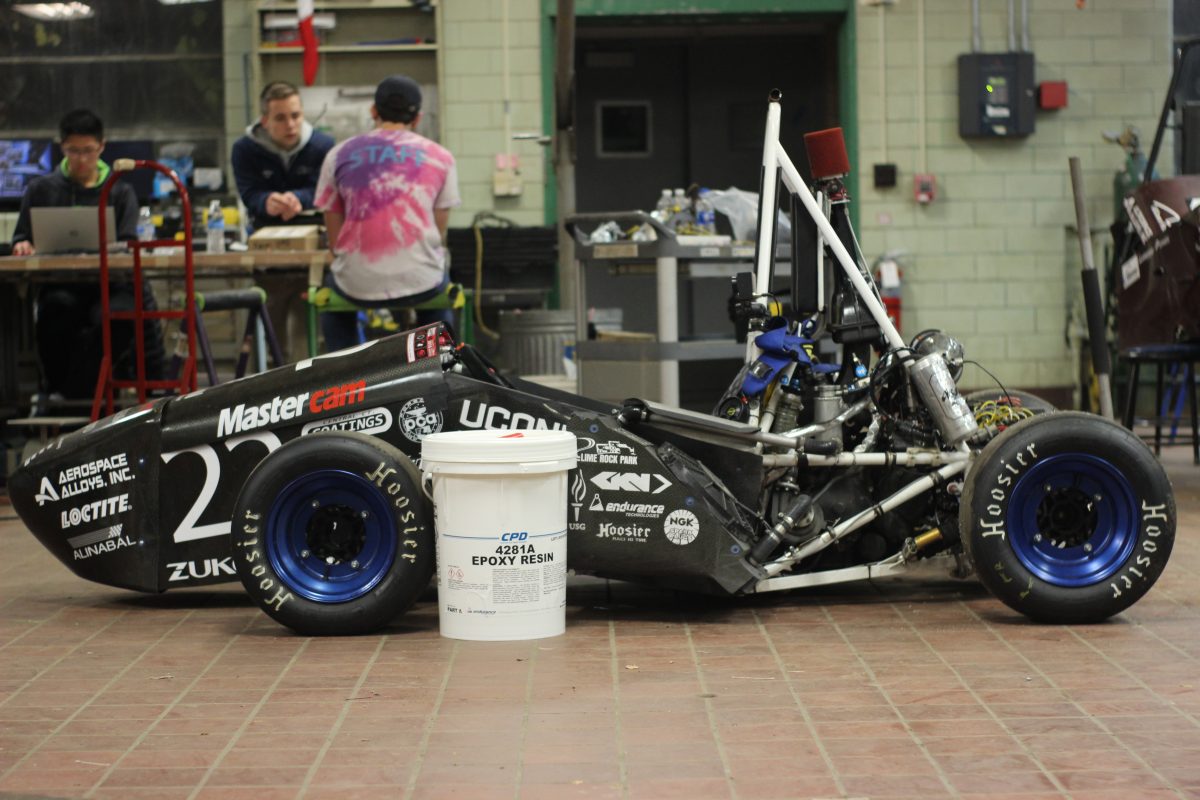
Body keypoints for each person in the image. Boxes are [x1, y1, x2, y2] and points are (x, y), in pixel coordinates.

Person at [11, 108, 165, 400]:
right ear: (61, 147)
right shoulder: (41, 190)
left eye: (88, 151)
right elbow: (21, 236)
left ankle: (79, 393)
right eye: (73, 151)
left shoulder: (120, 192)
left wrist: (115, 249)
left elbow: (130, 242)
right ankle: (68, 391)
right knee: (56, 312)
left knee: (117, 317)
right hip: (60, 284)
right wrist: (22, 244)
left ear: (102, 147)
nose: (81, 159)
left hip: (110, 284)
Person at [314, 74, 461, 352]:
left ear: (373, 111)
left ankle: (345, 373)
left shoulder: (339, 153)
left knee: (332, 306)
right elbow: (438, 230)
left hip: (356, 282)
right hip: (422, 280)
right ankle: (438, 367)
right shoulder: (441, 157)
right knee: (438, 295)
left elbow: (333, 234)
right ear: (416, 119)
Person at [232, 81, 335, 231]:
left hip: (314, 228)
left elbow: (325, 190)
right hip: (263, 230)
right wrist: (266, 201)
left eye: (295, 115)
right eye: (280, 118)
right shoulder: (244, 150)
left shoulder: (323, 146)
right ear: (265, 121)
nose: (290, 124)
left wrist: (298, 198)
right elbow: (249, 192)